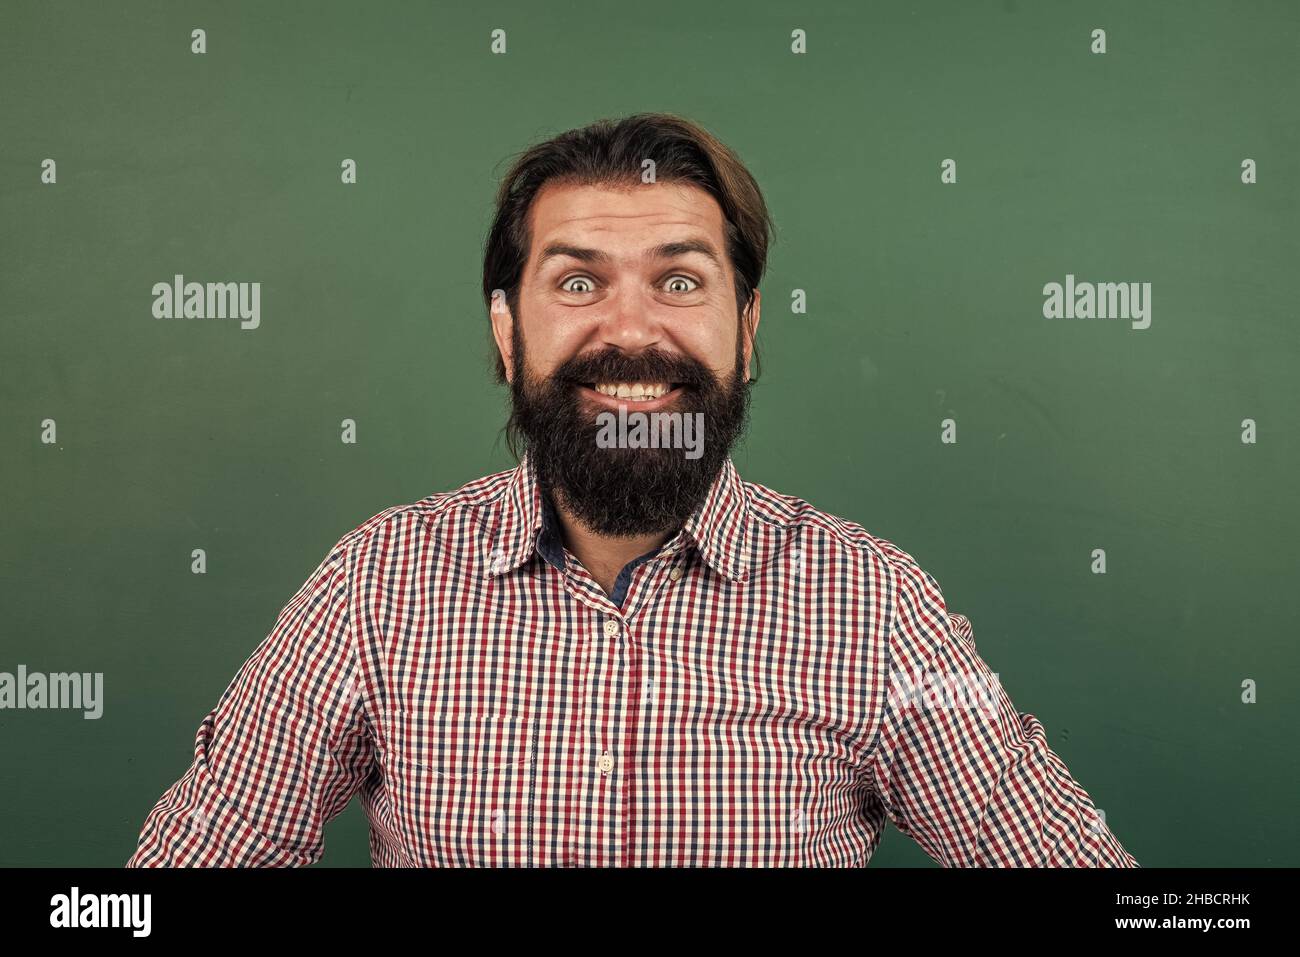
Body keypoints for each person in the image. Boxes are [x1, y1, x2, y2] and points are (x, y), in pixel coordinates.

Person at [127, 113, 1137, 868]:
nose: (630, 330)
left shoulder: (874, 606)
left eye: (680, 280)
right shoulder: (375, 586)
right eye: (575, 283)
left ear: (745, 330)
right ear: (505, 330)